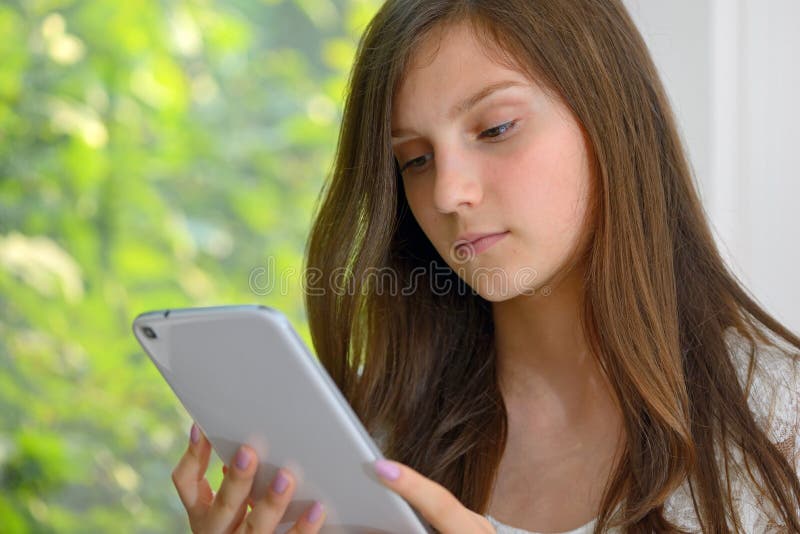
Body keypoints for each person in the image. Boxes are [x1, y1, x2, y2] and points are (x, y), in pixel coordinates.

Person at [170, 1, 800, 532]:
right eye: (415, 160)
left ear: (611, 115)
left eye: (495, 129)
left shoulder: (780, 424)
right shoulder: (373, 437)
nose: (447, 193)